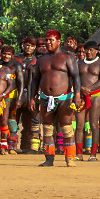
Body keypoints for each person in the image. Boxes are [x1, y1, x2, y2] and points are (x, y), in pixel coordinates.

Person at [29, 30, 81, 167]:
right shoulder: (41, 60)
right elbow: (35, 80)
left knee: (66, 128)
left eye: (51, 40)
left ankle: (70, 157)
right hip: (45, 98)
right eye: (46, 40)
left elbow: (76, 77)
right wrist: (32, 98)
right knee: (47, 128)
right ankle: (49, 158)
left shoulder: (67, 57)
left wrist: (77, 95)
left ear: (58, 41)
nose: (48, 43)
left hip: (64, 97)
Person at [77, 41, 100, 161]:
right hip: (81, 96)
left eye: (91, 50)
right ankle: (79, 154)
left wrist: (89, 89)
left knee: (94, 124)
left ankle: (93, 154)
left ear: (96, 51)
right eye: (87, 50)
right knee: (79, 125)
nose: (88, 52)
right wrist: (80, 89)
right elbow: (74, 78)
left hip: (95, 96)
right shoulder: (79, 63)